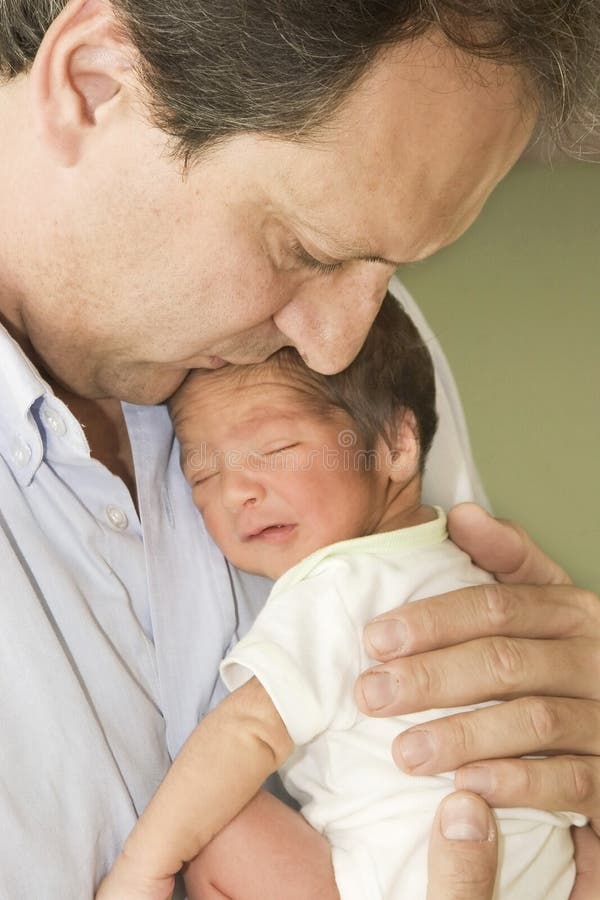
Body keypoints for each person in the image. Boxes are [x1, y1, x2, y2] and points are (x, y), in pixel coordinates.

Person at [0, 2, 598, 898]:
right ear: (95, 82)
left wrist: (568, 743)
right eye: (307, 250)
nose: (335, 344)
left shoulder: (348, 352)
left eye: (394, 267)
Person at [97, 293, 584, 900]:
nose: (237, 493)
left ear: (395, 446)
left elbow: (248, 731)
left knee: (222, 833)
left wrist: (141, 867)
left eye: (275, 451)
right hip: (554, 878)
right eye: (203, 474)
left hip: (403, 881)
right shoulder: (467, 571)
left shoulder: (336, 586)